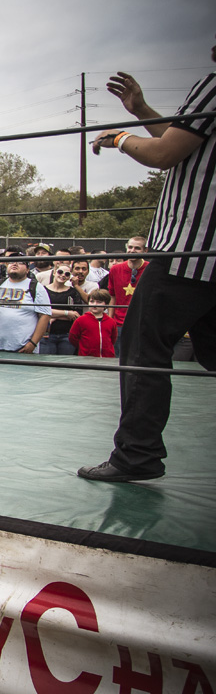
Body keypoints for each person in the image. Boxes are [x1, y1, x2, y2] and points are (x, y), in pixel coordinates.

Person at [80, 55, 216, 482]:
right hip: (207, 254)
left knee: (142, 348)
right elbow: (187, 139)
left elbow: (165, 153)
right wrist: (141, 111)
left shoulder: (215, 84)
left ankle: (136, 455)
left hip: (187, 249)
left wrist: (119, 137)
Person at [0, 256, 50, 353]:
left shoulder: (36, 287)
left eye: (20, 262)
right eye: (11, 262)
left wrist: (33, 343)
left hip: (22, 347)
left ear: (28, 269)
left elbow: (45, 316)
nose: (15, 264)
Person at [39, 264, 85, 355]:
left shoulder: (73, 292)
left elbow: (77, 315)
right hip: (47, 334)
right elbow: (41, 311)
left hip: (67, 335)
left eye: (67, 274)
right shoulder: (43, 290)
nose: (63, 275)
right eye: (60, 272)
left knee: (65, 362)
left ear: (69, 277)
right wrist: (67, 313)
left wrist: (53, 316)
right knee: (46, 362)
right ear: (54, 272)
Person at [69, 290, 118, 358]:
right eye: (92, 301)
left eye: (99, 302)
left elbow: (113, 339)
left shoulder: (111, 322)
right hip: (87, 358)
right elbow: (73, 338)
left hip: (107, 358)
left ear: (106, 304)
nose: (95, 304)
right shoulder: (80, 320)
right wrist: (84, 348)